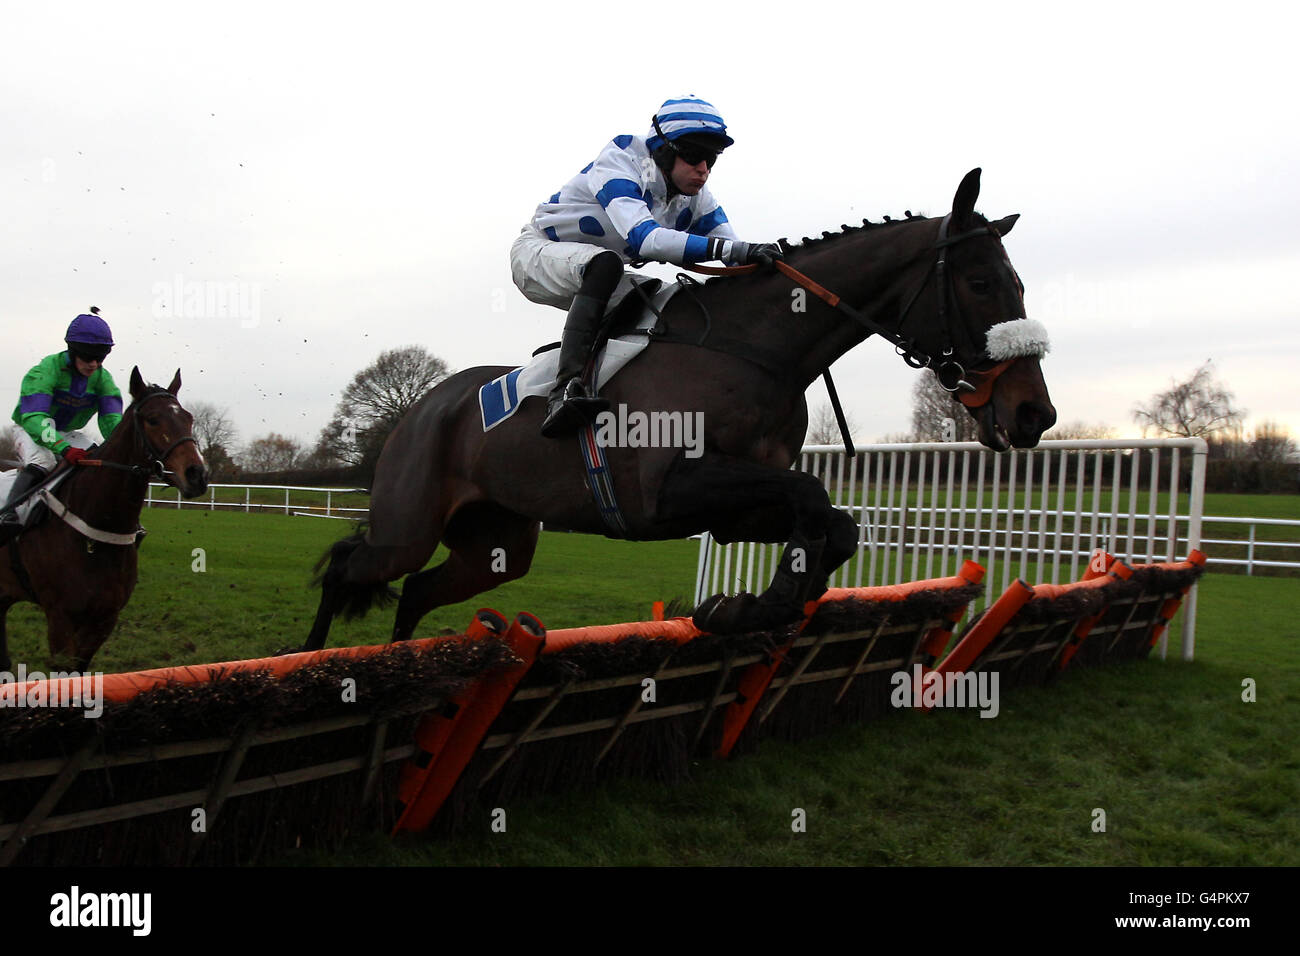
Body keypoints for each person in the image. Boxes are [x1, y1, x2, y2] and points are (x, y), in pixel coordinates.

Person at [511, 95, 784, 438]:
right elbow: (646, 239)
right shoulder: (621, 159)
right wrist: (738, 250)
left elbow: (733, 251)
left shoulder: (696, 196)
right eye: (694, 155)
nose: (703, 169)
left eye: (711, 159)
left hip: (593, 269)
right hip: (537, 253)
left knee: (663, 299)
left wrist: (777, 265)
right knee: (606, 266)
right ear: (665, 150)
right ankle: (564, 392)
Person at [0, 308, 122, 544]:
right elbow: (34, 417)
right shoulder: (47, 370)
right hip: (30, 428)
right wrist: (63, 448)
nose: (94, 364)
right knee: (43, 461)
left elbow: (112, 422)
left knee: (98, 460)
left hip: (67, 432)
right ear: (73, 351)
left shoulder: (103, 379)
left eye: (100, 358)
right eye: (88, 357)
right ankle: (8, 514)